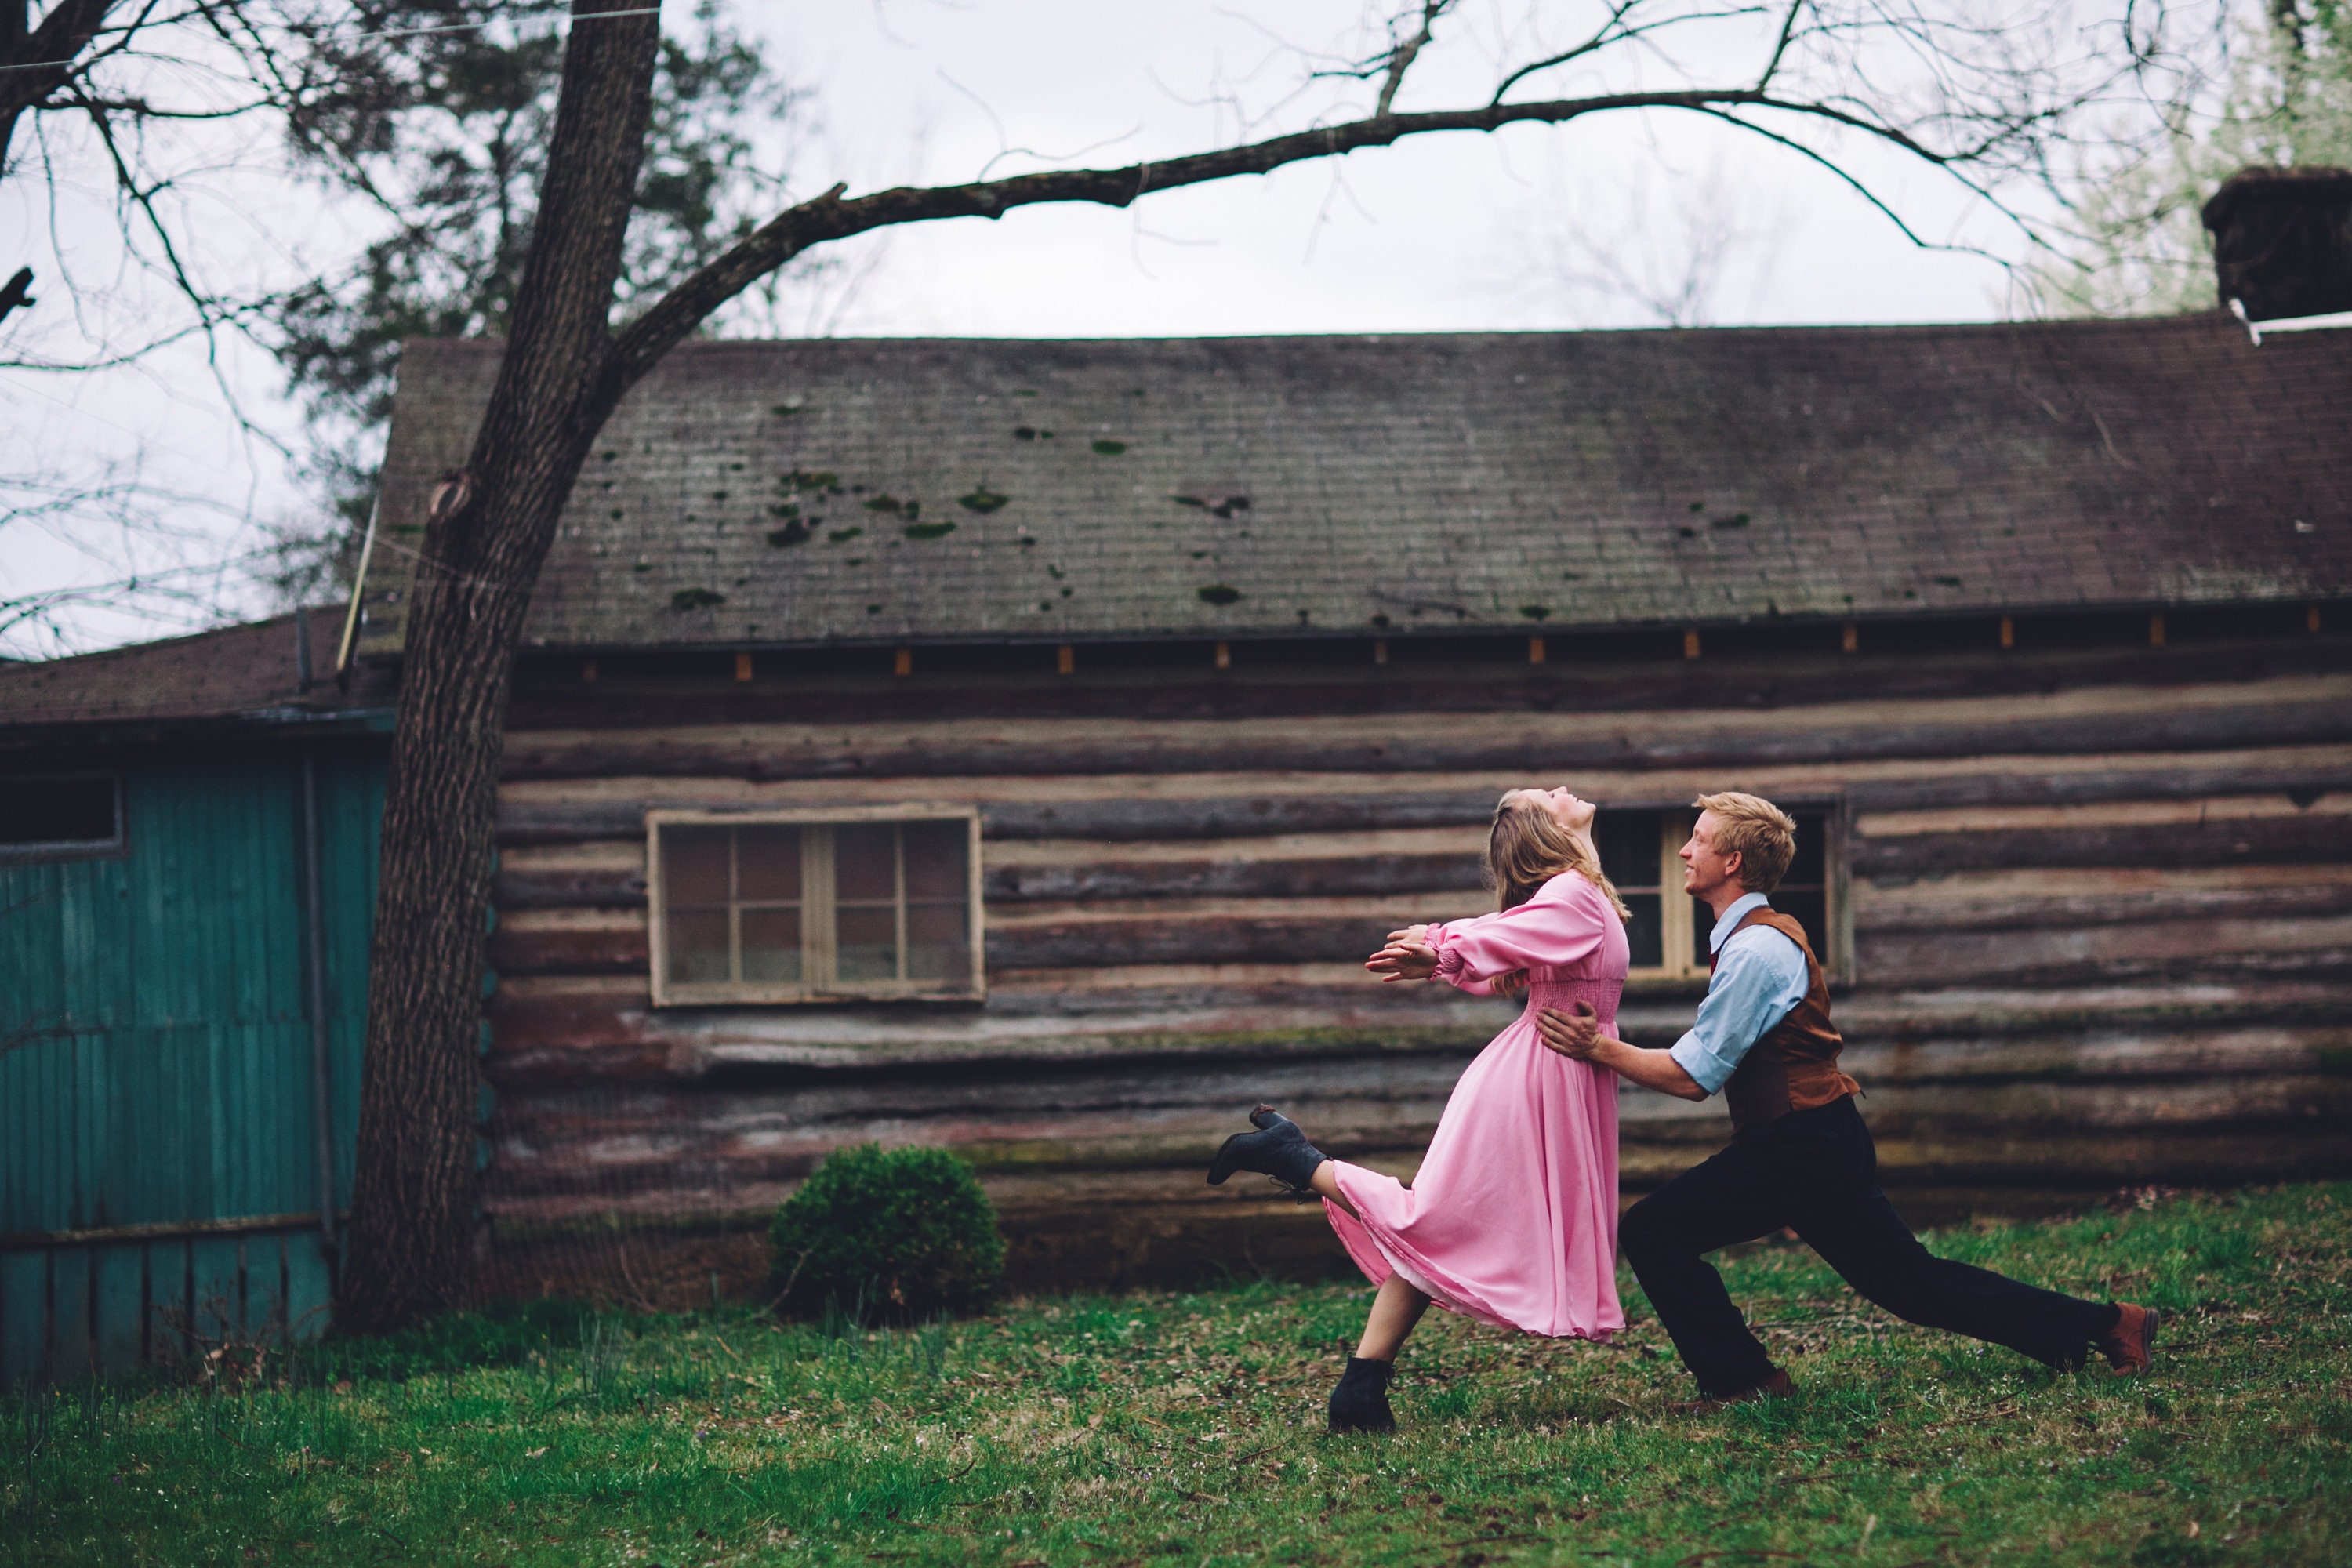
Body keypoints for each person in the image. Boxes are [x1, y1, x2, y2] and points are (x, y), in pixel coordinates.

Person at [1535, 791, 2158, 1412]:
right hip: (1814, 1138)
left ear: (1732, 863)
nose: (1683, 848)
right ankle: (2105, 1325)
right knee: (1913, 1285)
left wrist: (1599, 1048)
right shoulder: (1754, 936)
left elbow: (1694, 1076)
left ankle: (1744, 1380)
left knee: (1654, 1230)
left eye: (1698, 837)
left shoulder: (1756, 950)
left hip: (1800, 1145)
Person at [1204, 785, 1631, 1433]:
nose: (1562, 788)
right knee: (1436, 1220)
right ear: (1545, 828)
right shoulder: (1570, 894)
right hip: (1537, 1081)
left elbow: (1507, 958)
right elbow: (1505, 938)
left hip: (1552, 1074)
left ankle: (1360, 1390)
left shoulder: (1575, 892)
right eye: (1545, 793)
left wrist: (1445, 952)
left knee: (1440, 1231)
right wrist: (1443, 945)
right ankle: (1295, 1157)